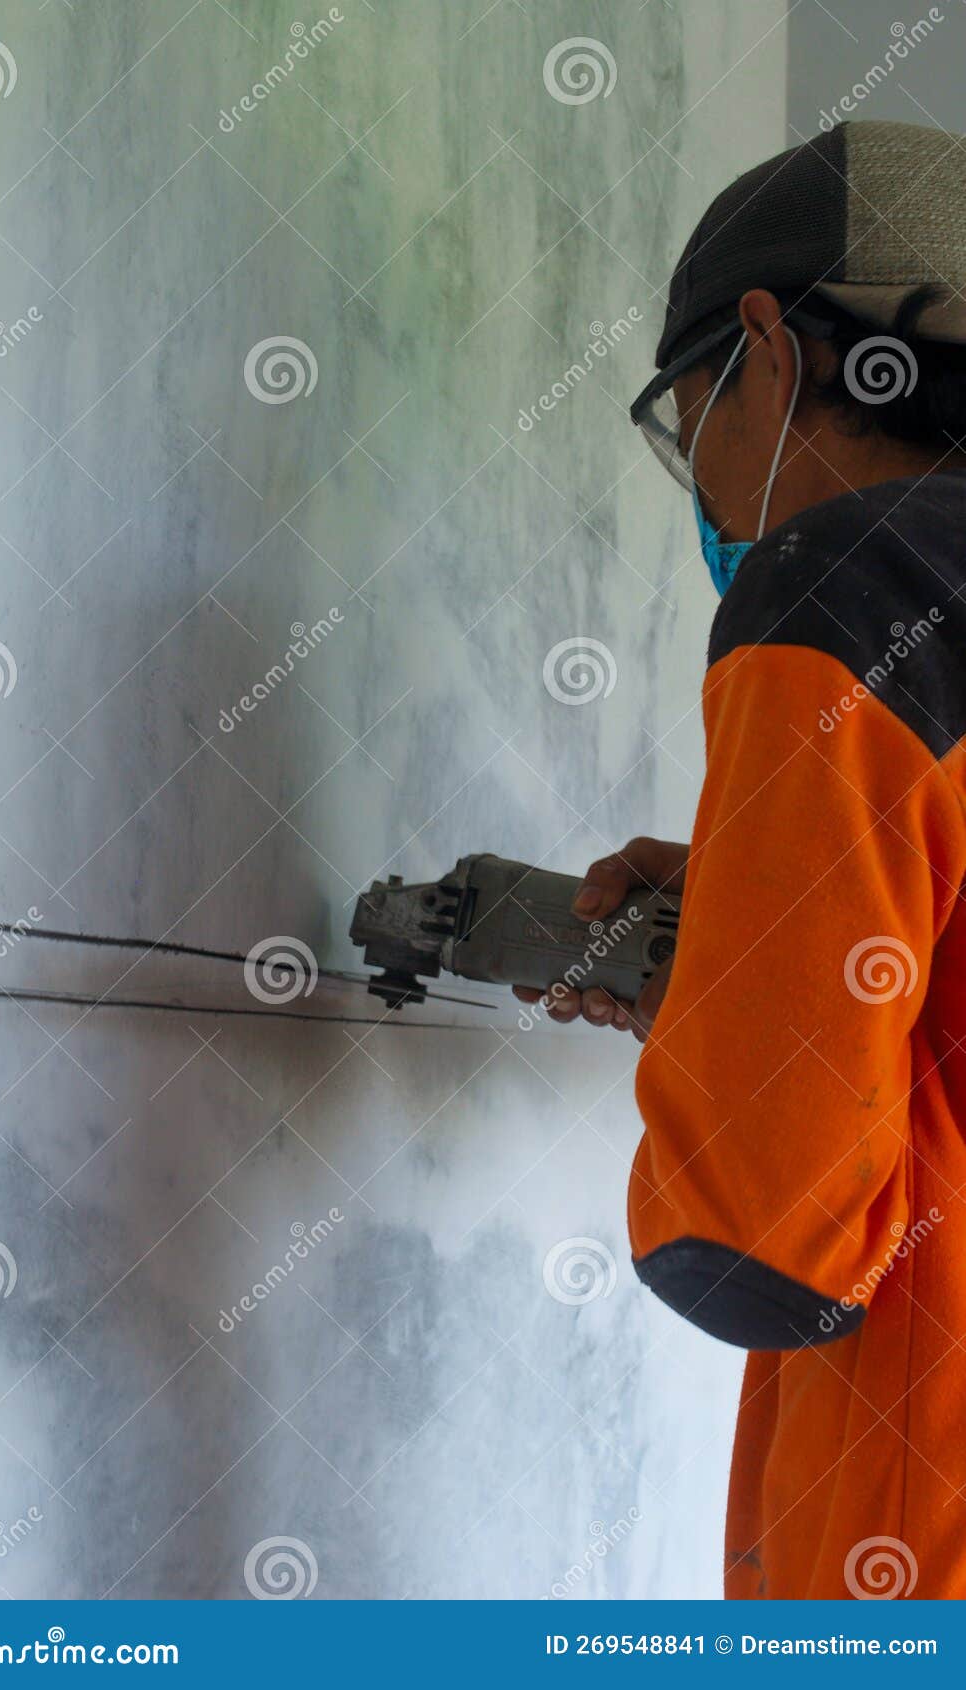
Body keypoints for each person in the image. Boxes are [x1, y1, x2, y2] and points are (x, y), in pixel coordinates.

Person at [516, 120, 966, 1600]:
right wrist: (758, 930)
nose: (702, 489)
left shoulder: (854, 584)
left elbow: (758, 1242)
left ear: (766, 353)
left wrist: (732, 1014)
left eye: (686, 415)